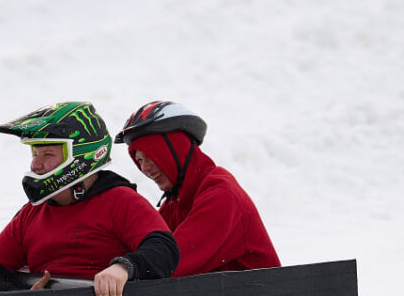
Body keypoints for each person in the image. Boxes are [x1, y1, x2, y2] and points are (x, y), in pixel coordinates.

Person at [0, 101, 179, 296]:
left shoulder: (120, 200)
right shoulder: (31, 213)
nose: (36, 165)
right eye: (35, 154)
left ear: (80, 154)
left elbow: (164, 249)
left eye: (48, 155)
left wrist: (123, 268)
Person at [114, 101, 280, 276]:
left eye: (150, 155)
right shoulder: (175, 203)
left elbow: (169, 263)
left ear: (175, 149)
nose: (144, 168)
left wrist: (125, 269)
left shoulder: (222, 195)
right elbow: (147, 247)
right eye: (139, 160)